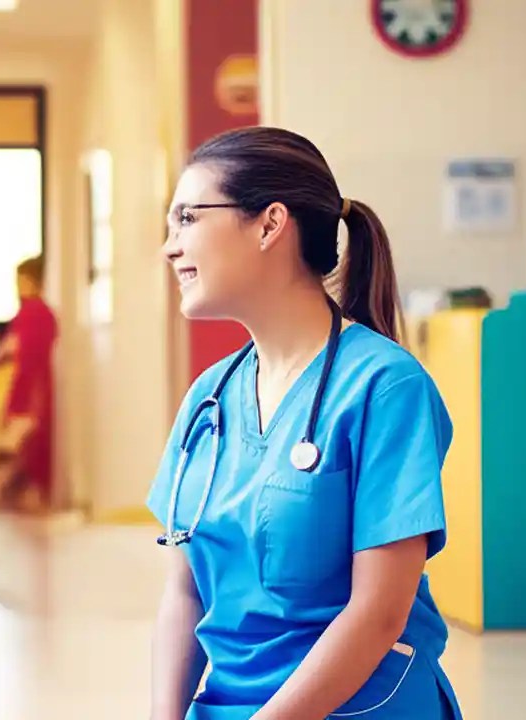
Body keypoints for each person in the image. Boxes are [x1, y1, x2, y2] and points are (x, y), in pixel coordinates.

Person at [148, 127, 463, 720]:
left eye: (187, 218)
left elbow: (378, 612)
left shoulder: (385, 387)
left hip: (360, 706)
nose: (169, 246)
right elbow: (184, 593)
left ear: (270, 224)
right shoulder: (208, 399)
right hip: (228, 706)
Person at [0, 255, 58, 512]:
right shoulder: (42, 315)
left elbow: (16, 351)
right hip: (30, 394)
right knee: (16, 454)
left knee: (10, 453)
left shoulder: (32, 314)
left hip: (24, 395)